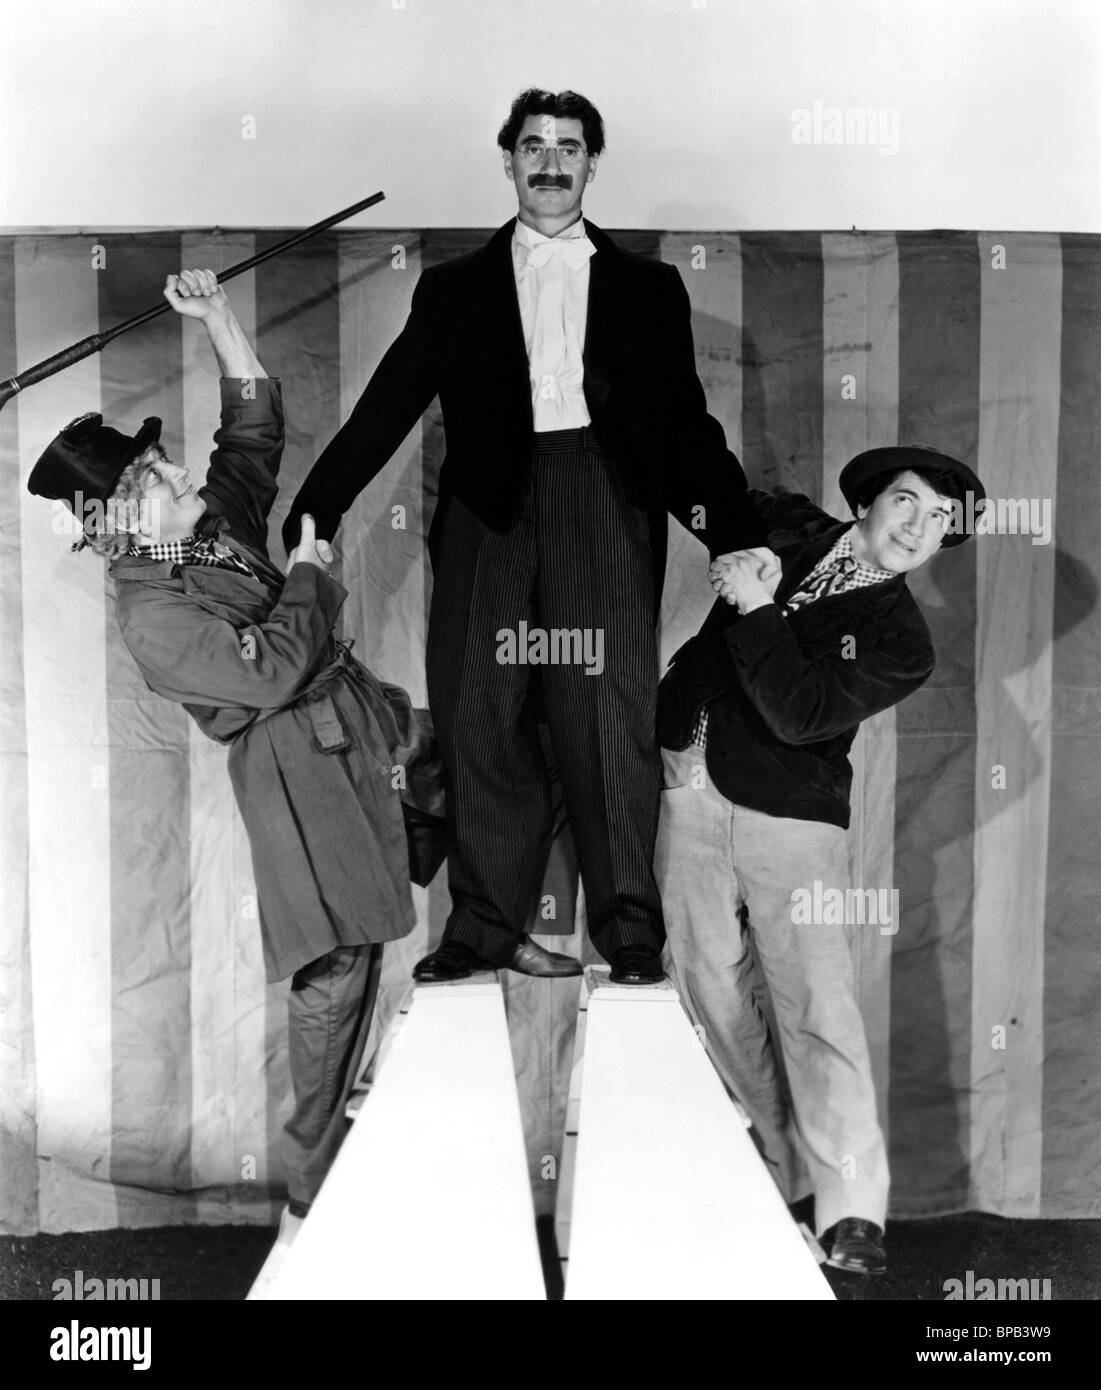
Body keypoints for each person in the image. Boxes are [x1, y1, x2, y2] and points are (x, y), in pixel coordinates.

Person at [284, 88, 769, 987]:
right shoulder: (455, 288)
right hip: (488, 509)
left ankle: (628, 926)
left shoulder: (646, 288)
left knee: (607, 713)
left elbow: (681, 424)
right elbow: (388, 404)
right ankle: (482, 925)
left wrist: (731, 531)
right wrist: (316, 513)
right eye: (533, 145)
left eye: (570, 147)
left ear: (592, 163)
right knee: (477, 712)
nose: (551, 161)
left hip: (604, 500)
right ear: (507, 160)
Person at [27, 269, 446, 1235]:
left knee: (484, 768)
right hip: (298, 772)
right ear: (119, 518)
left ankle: (443, 957)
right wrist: (305, 577)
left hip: (362, 723)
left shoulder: (205, 529)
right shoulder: (152, 616)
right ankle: (312, 1183)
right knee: (338, 961)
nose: (178, 476)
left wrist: (218, 320)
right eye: (152, 479)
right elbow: (265, 677)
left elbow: (250, 433)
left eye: (161, 465)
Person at [654, 446, 985, 1276]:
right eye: (909, 503)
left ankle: (849, 1213)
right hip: (686, 789)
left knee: (815, 1006)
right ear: (870, 501)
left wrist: (759, 605)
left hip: (791, 819)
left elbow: (802, 713)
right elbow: (701, 485)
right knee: (707, 989)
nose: (920, 527)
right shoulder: (788, 528)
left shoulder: (901, 641)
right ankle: (773, 1174)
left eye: (940, 521)